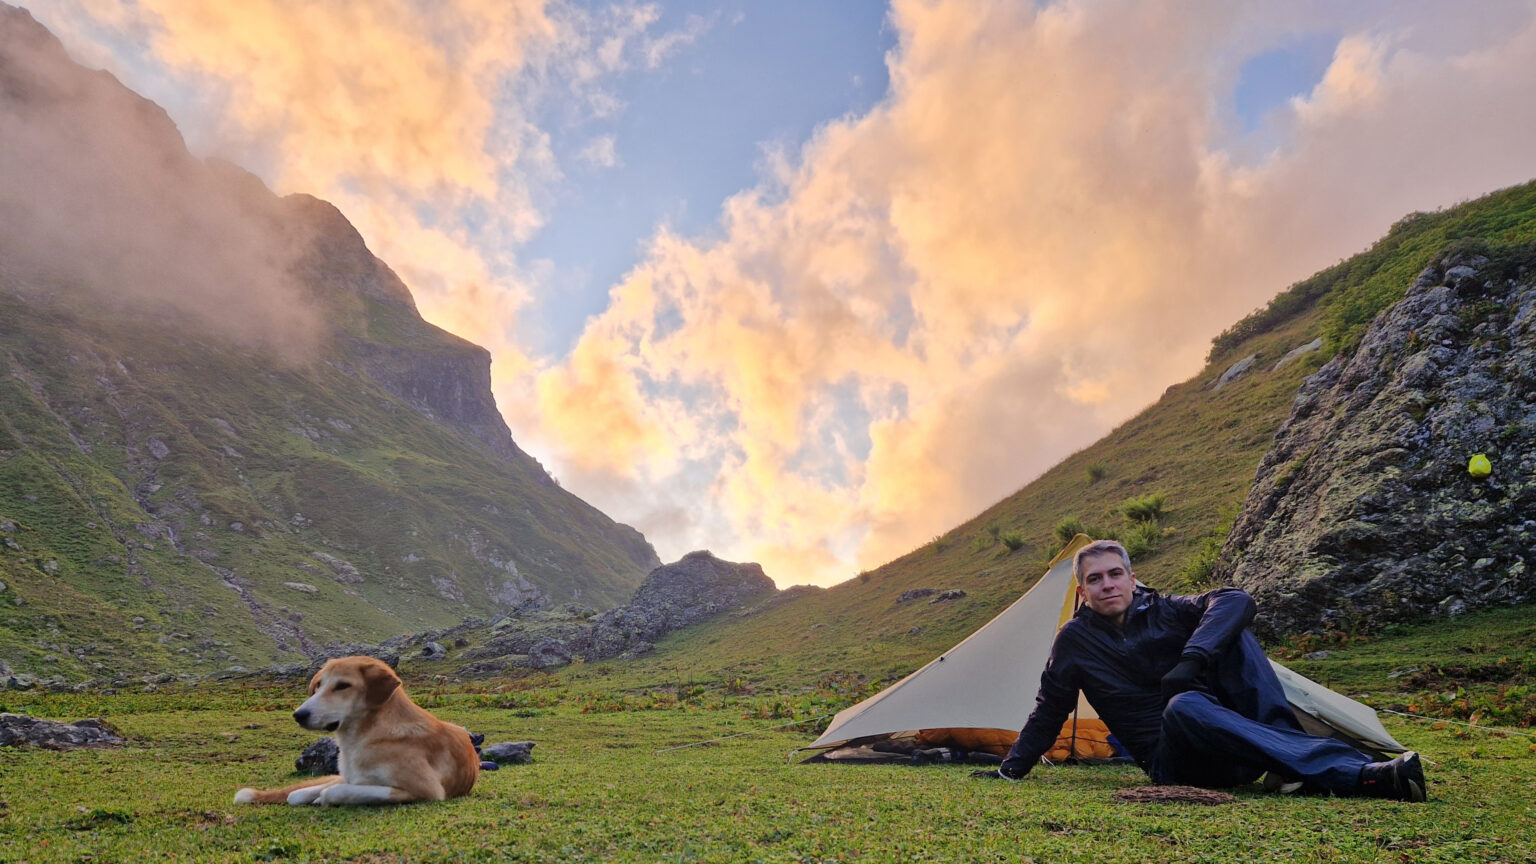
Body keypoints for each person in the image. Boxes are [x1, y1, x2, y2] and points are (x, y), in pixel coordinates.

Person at [974, 539, 1426, 801]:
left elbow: (1235, 600)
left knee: (1233, 632)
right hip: (1172, 762)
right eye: (1095, 579)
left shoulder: (1168, 609)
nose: (1107, 584)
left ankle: (1289, 765)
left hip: (1231, 744)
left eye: (1115, 574)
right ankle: (1361, 775)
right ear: (1082, 590)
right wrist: (1011, 769)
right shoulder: (1073, 641)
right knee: (1185, 705)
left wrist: (1194, 657)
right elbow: (1048, 709)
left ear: (1133, 579)